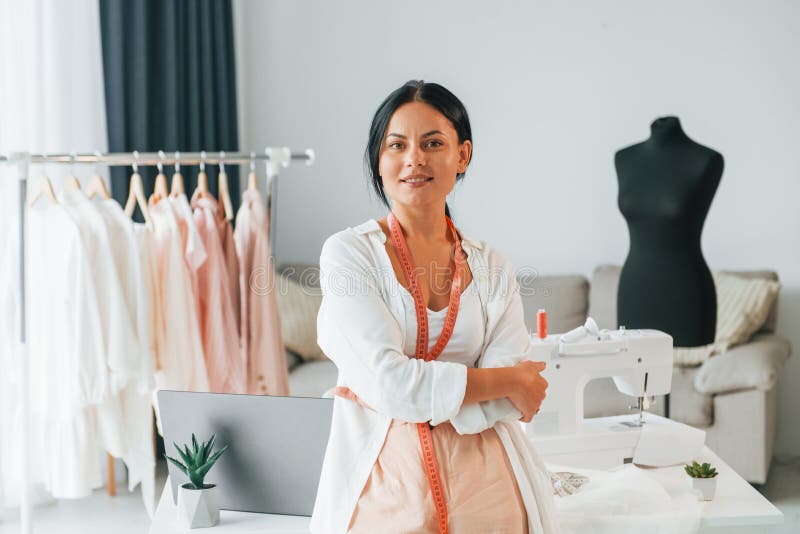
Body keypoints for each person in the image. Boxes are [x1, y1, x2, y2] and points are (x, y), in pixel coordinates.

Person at [310, 80, 561, 534]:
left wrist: (425, 394)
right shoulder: (349, 255)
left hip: (491, 488)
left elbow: (408, 391)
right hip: (385, 489)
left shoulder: (493, 266)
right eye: (397, 145)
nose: (414, 159)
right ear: (379, 160)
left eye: (433, 143)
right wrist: (505, 381)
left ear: (462, 155)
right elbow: (388, 384)